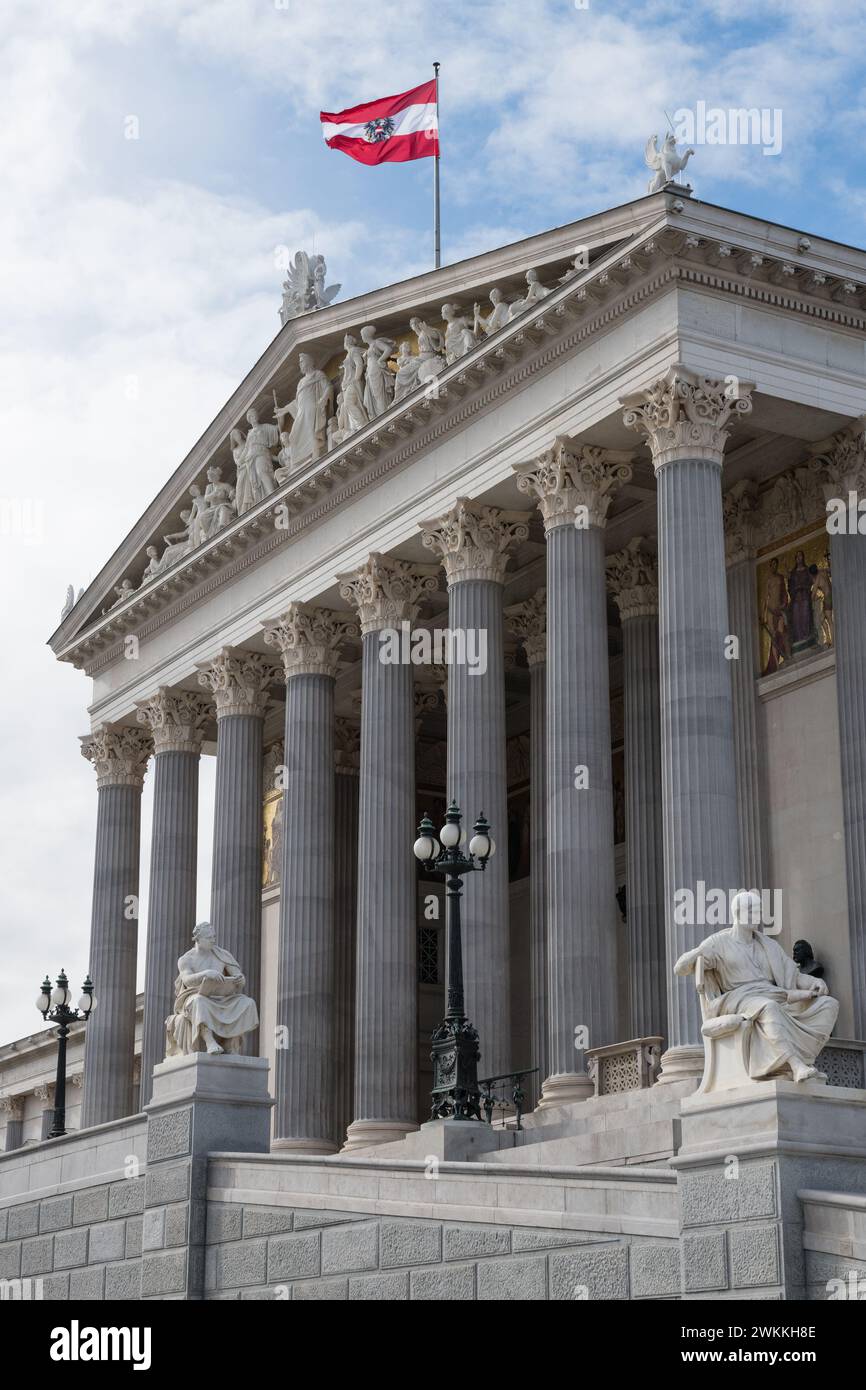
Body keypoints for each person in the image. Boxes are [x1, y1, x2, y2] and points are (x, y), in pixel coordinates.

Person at [675, 890, 838, 1084]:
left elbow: (793, 974)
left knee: (829, 1004)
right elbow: (680, 968)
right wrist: (697, 954)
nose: (757, 917)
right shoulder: (719, 943)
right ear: (737, 912)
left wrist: (814, 982)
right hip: (738, 999)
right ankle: (795, 1065)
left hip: (777, 996)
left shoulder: (768, 944)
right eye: (751, 911)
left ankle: (792, 1062)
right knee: (768, 1006)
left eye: (759, 912)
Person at [165, 921, 259, 1056]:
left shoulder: (222, 954)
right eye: (209, 938)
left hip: (223, 997)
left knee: (248, 1003)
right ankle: (210, 1042)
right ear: (197, 939)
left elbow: (238, 976)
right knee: (199, 1001)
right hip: (196, 996)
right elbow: (187, 980)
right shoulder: (186, 959)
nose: (213, 940)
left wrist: (240, 979)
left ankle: (230, 1043)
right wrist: (206, 973)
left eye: (214, 937)